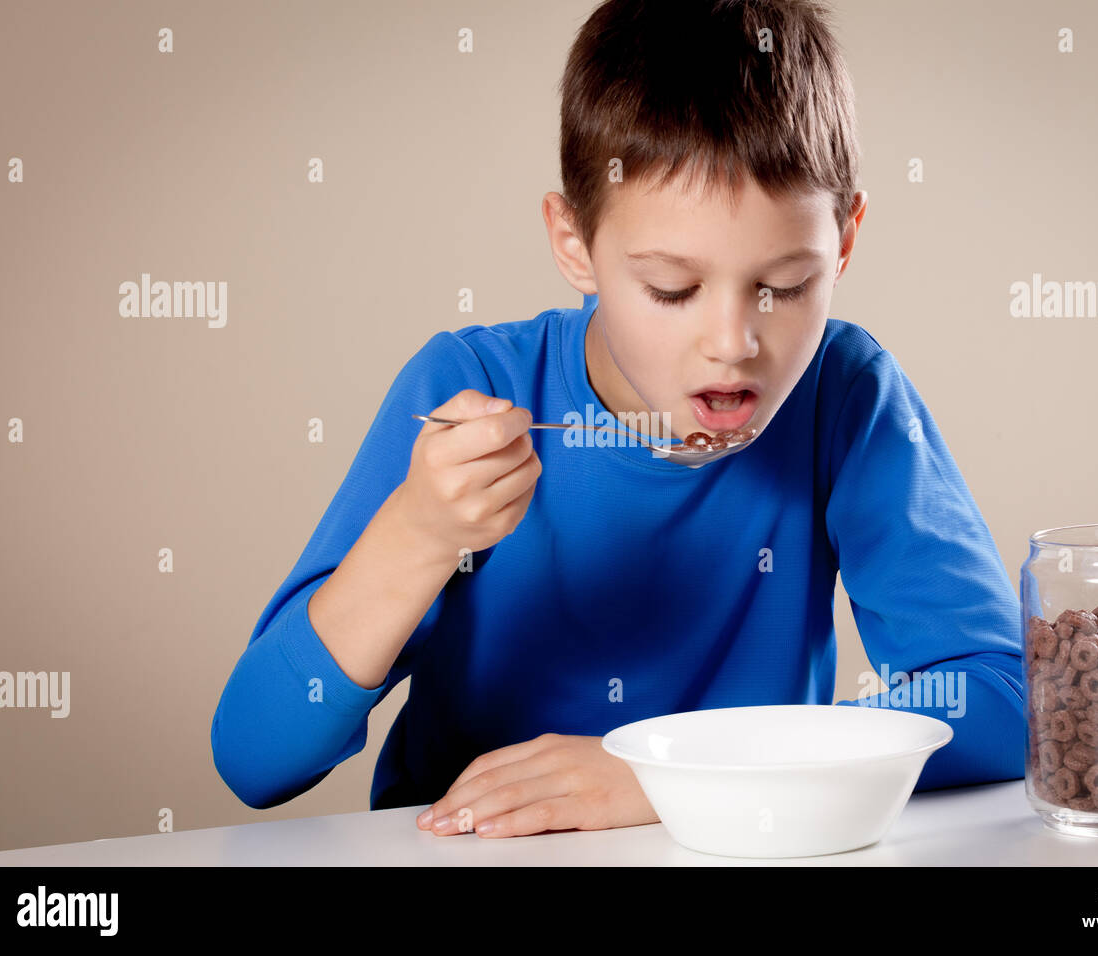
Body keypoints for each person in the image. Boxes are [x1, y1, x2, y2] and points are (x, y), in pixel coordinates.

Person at [211, 0, 1024, 840]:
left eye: (782, 285)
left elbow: (1001, 700)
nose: (733, 343)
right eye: (672, 289)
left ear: (846, 241)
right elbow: (255, 758)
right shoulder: (472, 384)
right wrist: (416, 535)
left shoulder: (847, 397)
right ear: (574, 245)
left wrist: (675, 774)